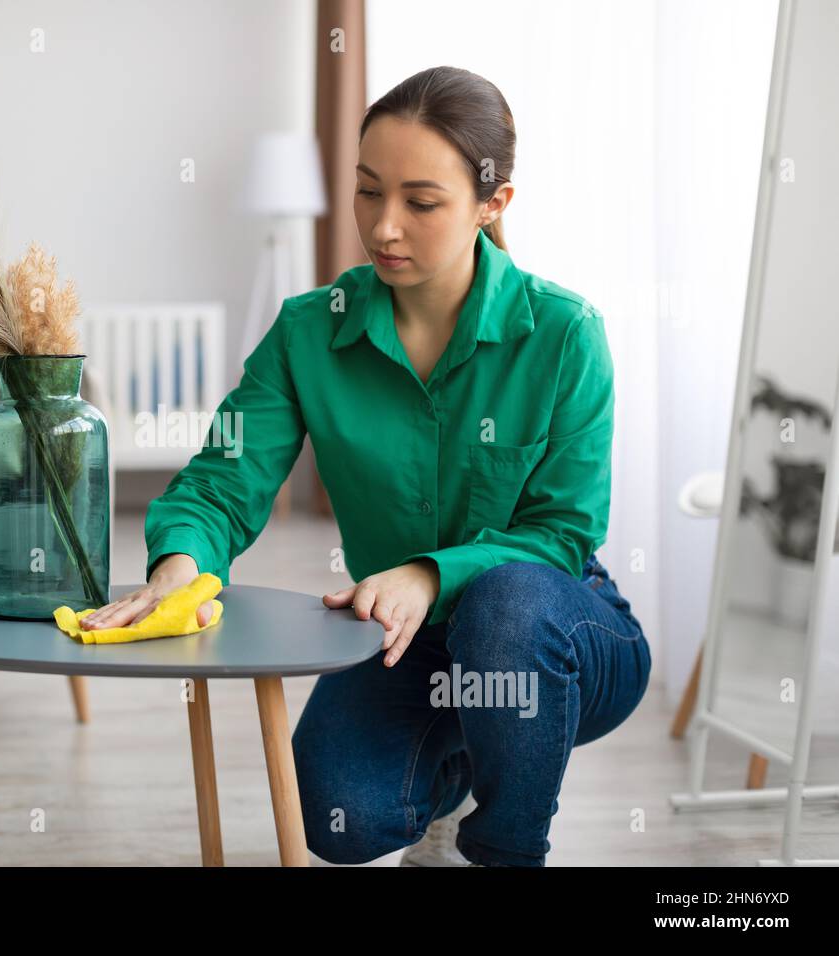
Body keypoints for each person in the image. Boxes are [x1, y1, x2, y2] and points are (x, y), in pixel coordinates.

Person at [80, 66, 650, 867]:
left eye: (420, 203)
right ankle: (459, 770)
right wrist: (181, 563)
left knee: (505, 607)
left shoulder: (564, 333)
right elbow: (223, 477)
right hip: (401, 641)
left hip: (557, 635)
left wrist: (426, 573)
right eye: (367, 191)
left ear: (493, 205)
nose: (383, 228)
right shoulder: (310, 331)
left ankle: (507, 848)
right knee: (341, 816)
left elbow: (559, 533)